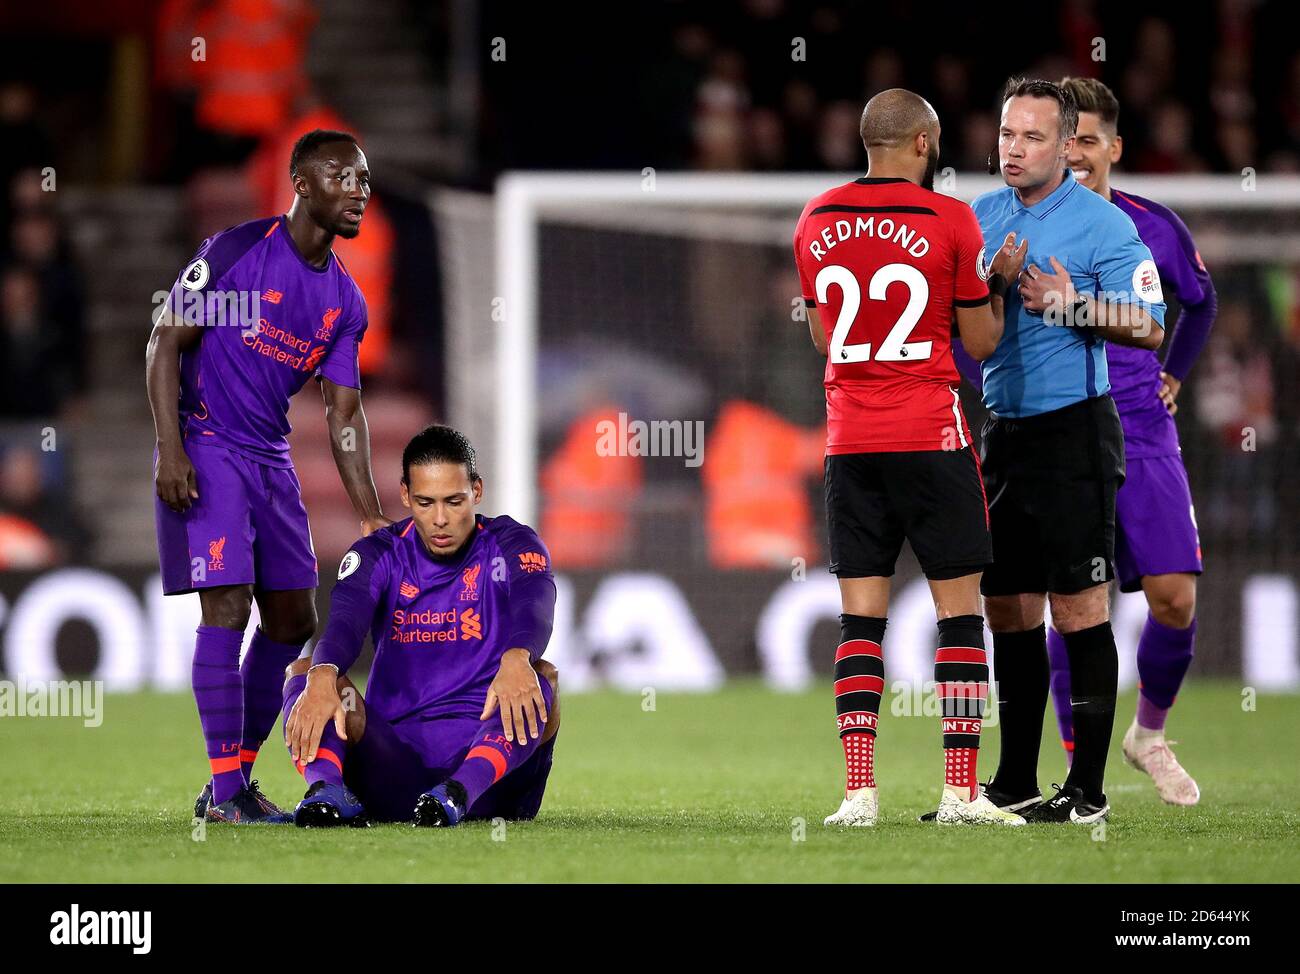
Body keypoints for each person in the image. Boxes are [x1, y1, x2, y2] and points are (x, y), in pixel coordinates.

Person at [792, 88, 1024, 828]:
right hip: (931, 435)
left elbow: (826, 339)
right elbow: (981, 344)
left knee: (860, 622)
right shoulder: (949, 218)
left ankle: (858, 795)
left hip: (851, 442)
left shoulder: (815, 218)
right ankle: (960, 793)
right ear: (924, 143)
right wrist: (1001, 288)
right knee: (958, 619)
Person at [147, 129, 389, 823]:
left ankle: (234, 780)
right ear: (303, 183)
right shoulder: (238, 251)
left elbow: (343, 410)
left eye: (365, 179)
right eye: (344, 177)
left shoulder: (345, 300)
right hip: (209, 441)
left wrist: (370, 514)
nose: (359, 191)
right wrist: (171, 448)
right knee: (226, 606)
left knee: (293, 620)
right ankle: (226, 797)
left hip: (269, 456)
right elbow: (165, 340)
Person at [969, 79, 1166, 825]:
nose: (1015, 149)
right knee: (1007, 608)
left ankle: (1086, 792)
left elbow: (1150, 326)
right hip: (1002, 431)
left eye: (1033, 138)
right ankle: (1015, 782)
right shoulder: (979, 217)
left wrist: (1071, 304)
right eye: (1007, 134)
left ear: (1066, 146)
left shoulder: (1103, 227)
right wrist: (993, 288)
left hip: (1075, 431)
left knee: (1077, 607)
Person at [1049, 76, 1215, 805]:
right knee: (1073, 604)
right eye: (1066, 138)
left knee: (1174, 598)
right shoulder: (1023, 226)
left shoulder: (1156, 227)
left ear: (1113, 147)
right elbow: (973, 327)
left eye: (1089, 138)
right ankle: (1078, 769)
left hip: (1144, 433)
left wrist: (1174, 373)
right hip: (1060, 430)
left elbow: (1200, 303)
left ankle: (1148, 733)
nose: (1077, 152)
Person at [282, 425, 560, 827]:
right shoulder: (379, 554)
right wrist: (324, 674)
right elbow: (345, 622)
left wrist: (518, 656)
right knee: (307, 672)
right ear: (406, 496)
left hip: (489, 782)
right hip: (392, 768)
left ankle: (458, 791)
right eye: (426, 503)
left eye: (454, 501)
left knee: (542, 675)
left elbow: (536, 604)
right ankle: (326, 793)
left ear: (477, 492)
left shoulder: (512, 543)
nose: (441, 519)